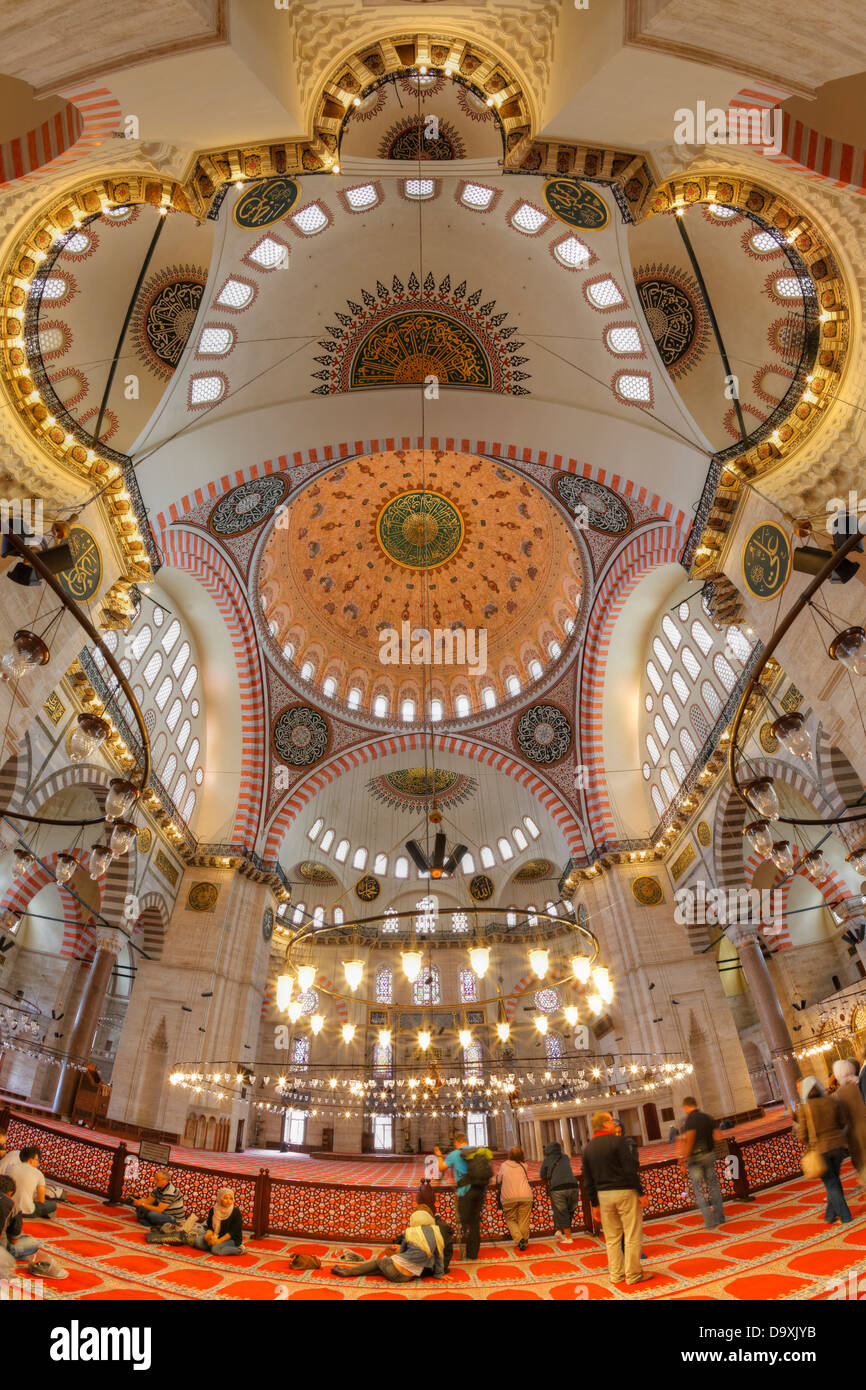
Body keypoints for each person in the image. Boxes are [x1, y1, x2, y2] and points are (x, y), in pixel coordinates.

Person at [581, 1110, 648, 1288]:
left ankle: (616, 1274)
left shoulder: (588, 1148)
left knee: (612, 1238)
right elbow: (629, 1169)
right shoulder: (618, 1142)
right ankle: (633, 1274)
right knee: (632, 1234)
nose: (614, 1124)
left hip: (603, 1196)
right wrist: (640, 1192)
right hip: (624, 1192)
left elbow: (588, 1179)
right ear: (605, 1124)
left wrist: (594, 1204)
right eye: (611, 1121)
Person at [796, 1076, 852, 1225]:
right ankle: (830, 1215)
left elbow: (802, 1134)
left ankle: (845, 1216)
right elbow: (843, 1122)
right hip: (839, 1146)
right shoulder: (832, 1101)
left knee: (831, 1183)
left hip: (820, 1149)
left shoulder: (805, 1107)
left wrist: (808, 1143)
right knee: (833, 1180)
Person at [333, 1208, 445, 1282]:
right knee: (379, 1269)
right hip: (405, 1278)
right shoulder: (436, 1232)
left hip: (393, 1269)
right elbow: (439, 1257)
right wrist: (438, 1275)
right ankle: (347, 1272)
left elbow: (402, 1252)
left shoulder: (409, 1232)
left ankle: (347, 1272)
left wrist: (397, 1249)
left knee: (379, 1262)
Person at [433, 1132, 491, 1261]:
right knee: (475, 1222)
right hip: (481, 1190)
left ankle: (462, 1249)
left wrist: (438, 1156)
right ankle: (473, 1253)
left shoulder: (455, 1153)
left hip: (465, 1192)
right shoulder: (477, 1152)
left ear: (456, 1143)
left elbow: (442, 1167)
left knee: (464, 1222)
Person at [678, 1096, 725, 1230]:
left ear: (686, 1107)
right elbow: (719, 1137)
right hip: (709, 1154)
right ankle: (720, 1217)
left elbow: (690, 1139)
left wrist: (683, 1159)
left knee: (699, 1191)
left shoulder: (690, 1120)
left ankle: (710, 1222)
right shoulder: (708, 1117)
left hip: (696, 1159)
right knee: (713, 1187)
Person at [3, 1146, 58, 1244]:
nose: (37, 1163)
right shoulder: (38, 1174)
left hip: (8, 1207)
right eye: (37, 1160)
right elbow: (41, 1199)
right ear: (31, 1160)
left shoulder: (10, 1167)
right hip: (27, 1211)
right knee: (52, 1205)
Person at [832, 1059, 866, 1188]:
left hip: (855, 1132)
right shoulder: (860, 1082)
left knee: (862, 1160)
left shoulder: (840, 1093)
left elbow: (842, 1118)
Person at [540, 1139, 580, 1245]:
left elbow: (542, 1175)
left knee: (561, 1211)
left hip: (558, 1188)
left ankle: (568, 1237)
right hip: (573, 1186)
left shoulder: (547, 1160)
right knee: (570, 1210)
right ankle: (559, 1231)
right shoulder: (565, 1157)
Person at [185, 1188, 245, 1254]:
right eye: (225, 1198)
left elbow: (232, 1232)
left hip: (231, 1239)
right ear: (220, 1198)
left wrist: (218, 1241)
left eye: (231, 1199)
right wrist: (208, 1236)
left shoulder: (235, 1212)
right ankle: (214, 1246)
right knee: (198, 1242)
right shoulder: (214, 1210)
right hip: (216, 1235)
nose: (228, 1201)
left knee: (216, 1250)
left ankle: (240, 1249)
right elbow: (210, 1227)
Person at [496, 1145, 533, 1251]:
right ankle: (524, 1240)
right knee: (524, 1219)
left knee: (510, 1219)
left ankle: (519, 1239)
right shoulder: (524, 1165)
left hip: (508, 1197)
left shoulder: (504, 1165)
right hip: (525, 1196)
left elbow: (498, 1180)